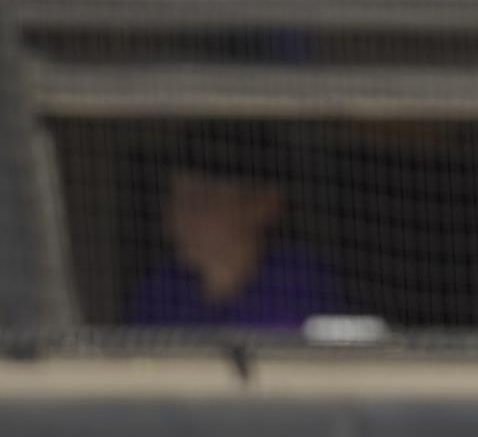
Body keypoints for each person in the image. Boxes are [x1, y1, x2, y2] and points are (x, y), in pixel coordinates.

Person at [127, 127, 344, 328]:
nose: (181, 219)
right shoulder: (161, 291)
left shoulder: (302, 286)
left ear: (263, 204)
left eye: (201, 201)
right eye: (177, 201)